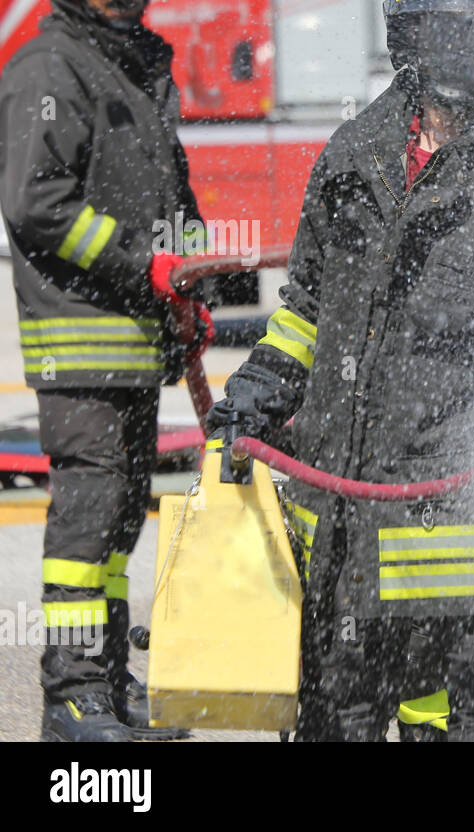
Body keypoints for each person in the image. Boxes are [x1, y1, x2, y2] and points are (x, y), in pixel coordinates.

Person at [208, 0, 474, 741]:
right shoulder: (354, 152)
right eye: (439, 26)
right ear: (406, 32)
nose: (457, 48)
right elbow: (310, 303)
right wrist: (266, 379)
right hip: (342, 564)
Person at [0, 0, 205, 741]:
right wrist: (143, 265)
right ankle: (72, 698)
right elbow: (36, 202)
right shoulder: (48, 66)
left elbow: (169, 191)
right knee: (88, 526)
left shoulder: (133, 60)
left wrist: (195, 270)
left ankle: (109, 683)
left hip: (136, 340)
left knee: (117, 527)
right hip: (81, 341)